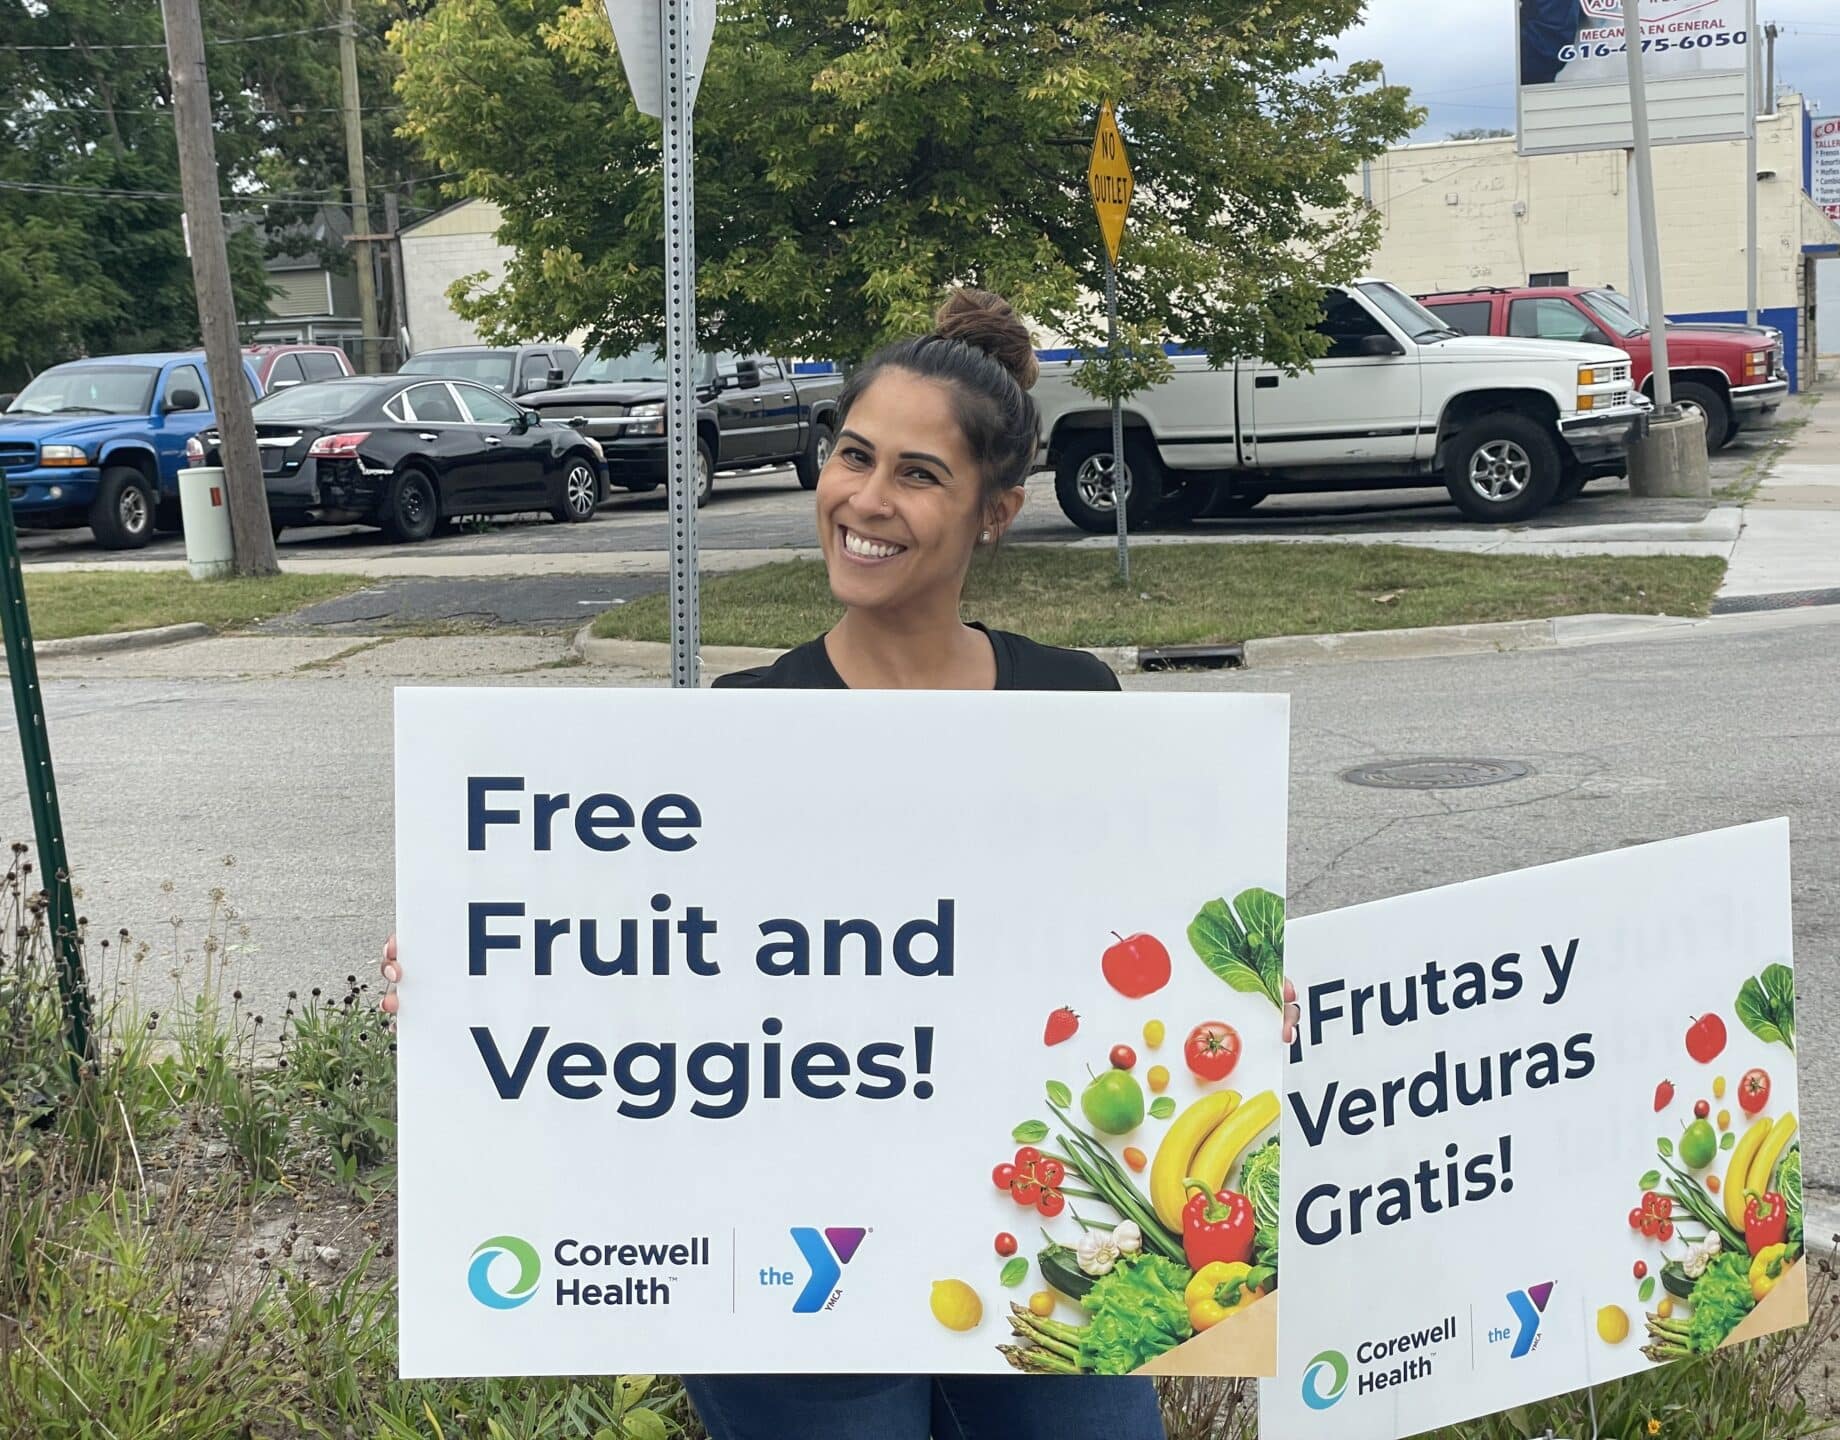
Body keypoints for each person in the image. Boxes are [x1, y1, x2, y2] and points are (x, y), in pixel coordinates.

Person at [382, 289, 1297, 1439]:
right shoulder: (750, 721)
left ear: (996, 513)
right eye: (853, 456)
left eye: (918, 475)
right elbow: (641, 969)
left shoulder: (1077, 705)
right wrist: (478, 961)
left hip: (1041, 1246)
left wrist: (1251, 1008)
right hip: (800, 1256)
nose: (866, 500)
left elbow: (1143, 974)